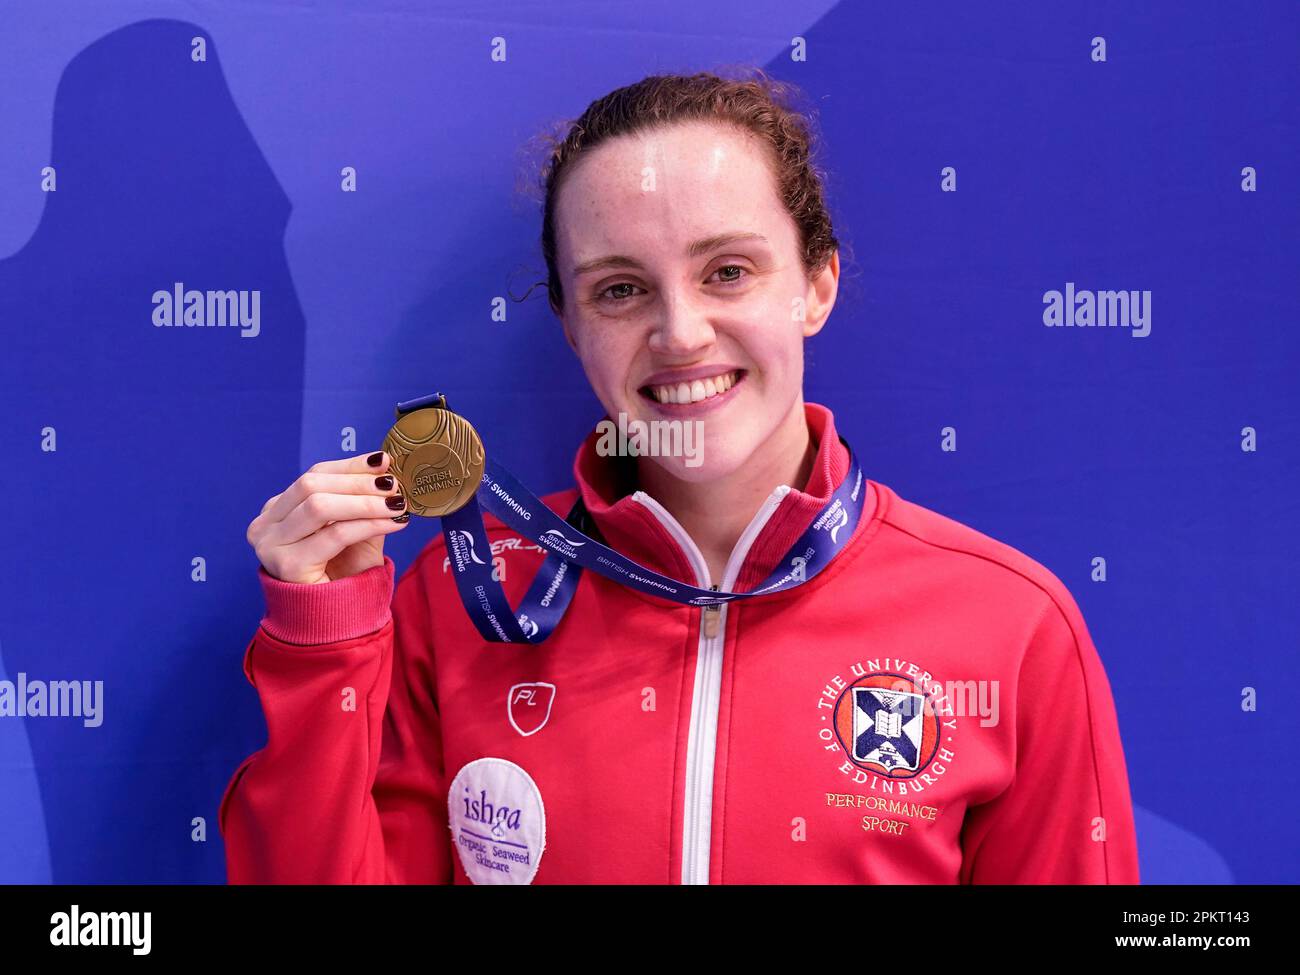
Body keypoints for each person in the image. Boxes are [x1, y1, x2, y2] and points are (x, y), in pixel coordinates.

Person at [220, 68, 1140, 885]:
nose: (681, 333)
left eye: (728, 271)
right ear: (571, 323)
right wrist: (322, 646)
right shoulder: (460, 596)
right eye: (619, 289)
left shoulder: (1013, 625)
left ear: (815, 284)